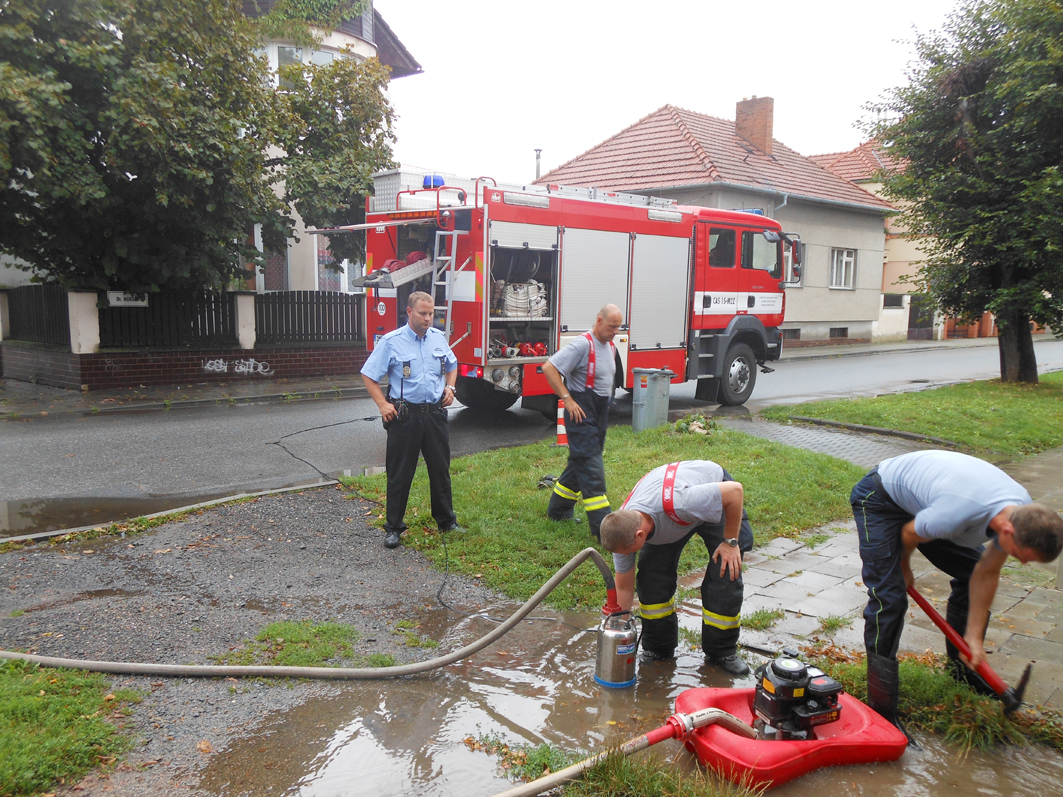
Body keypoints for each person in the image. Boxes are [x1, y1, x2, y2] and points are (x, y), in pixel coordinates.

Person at [851, 449, 1063, 728]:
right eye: (1023, 556)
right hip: (880, 498)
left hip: (930, 505)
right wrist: (904, 567)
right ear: (1008, 532)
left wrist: (974, 637)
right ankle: (881, 709)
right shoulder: (954, 515)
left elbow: (986, 573)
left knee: (971, 570)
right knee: (889, 598)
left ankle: (962, 672)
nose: (1022, 563)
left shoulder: (1021, 513)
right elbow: (910, 533)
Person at [599, 460, 754, 676]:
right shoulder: (622, 528)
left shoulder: (683, 502)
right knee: (652, 580)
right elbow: (624, 588)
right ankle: (658, 647)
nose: (625, 556)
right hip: (672, 517)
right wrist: (617, 634)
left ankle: (722, 652)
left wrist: (730, 542)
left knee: (726, 570)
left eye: (628, 551)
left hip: (715, 498)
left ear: (640, 535)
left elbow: (735, 491)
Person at [361, 291, 461, 549]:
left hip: (435, 415)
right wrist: (382, 404)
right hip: (405, 417)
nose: (428, 318)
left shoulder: (438, 338)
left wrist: (450, 388)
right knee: (400, 474)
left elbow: (452, 365)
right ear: (409, 311)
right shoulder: (392, 341)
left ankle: (446, 521)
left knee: (440, 470)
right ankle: (394, 527)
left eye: (431, 314)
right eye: (423, 313)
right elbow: (369, 375)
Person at [541, 304, 623, 540]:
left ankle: (558, 510)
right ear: (599, 321)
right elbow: (549, 367)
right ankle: (605, 531)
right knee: (591, 468)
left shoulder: (610, 346)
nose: (615, 332)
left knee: (580, 462)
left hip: (599, 413)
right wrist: (567, 399)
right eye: (612, 326)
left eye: (618, 327)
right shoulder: (582, 345)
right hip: (581, 414)